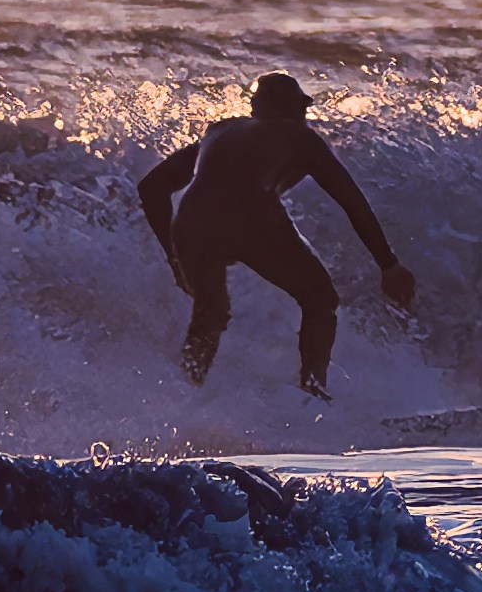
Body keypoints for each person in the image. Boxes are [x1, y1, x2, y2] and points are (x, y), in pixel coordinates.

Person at [136, 73, 415, 403]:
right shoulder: (300, 137)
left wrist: (175, 256)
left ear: (256, 108)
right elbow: (351, 200)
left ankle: (180, 399)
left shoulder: (221, 130)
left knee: (210, 312)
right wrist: (388, 263)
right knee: (320, 299)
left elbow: (151, 188)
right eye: (303, 108)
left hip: (191, 221)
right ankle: (314, 397)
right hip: (252, 215)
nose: (306, 116)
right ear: (294, 109)